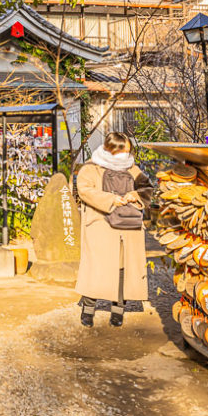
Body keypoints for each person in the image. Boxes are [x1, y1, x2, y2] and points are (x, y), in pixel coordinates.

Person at [75, 132, 153, 328]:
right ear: (113, 148)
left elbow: (147, 188)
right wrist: (110, 199)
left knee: (123, 270)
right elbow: (84, 189)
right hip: (100, 224)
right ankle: (88, 310)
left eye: (128, 148)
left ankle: (118, 311)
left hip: (128, 225)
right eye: (124, 148)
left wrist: (134, 195)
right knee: (96, 267)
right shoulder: (91, 167)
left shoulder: (132, 168)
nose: (127, 152)